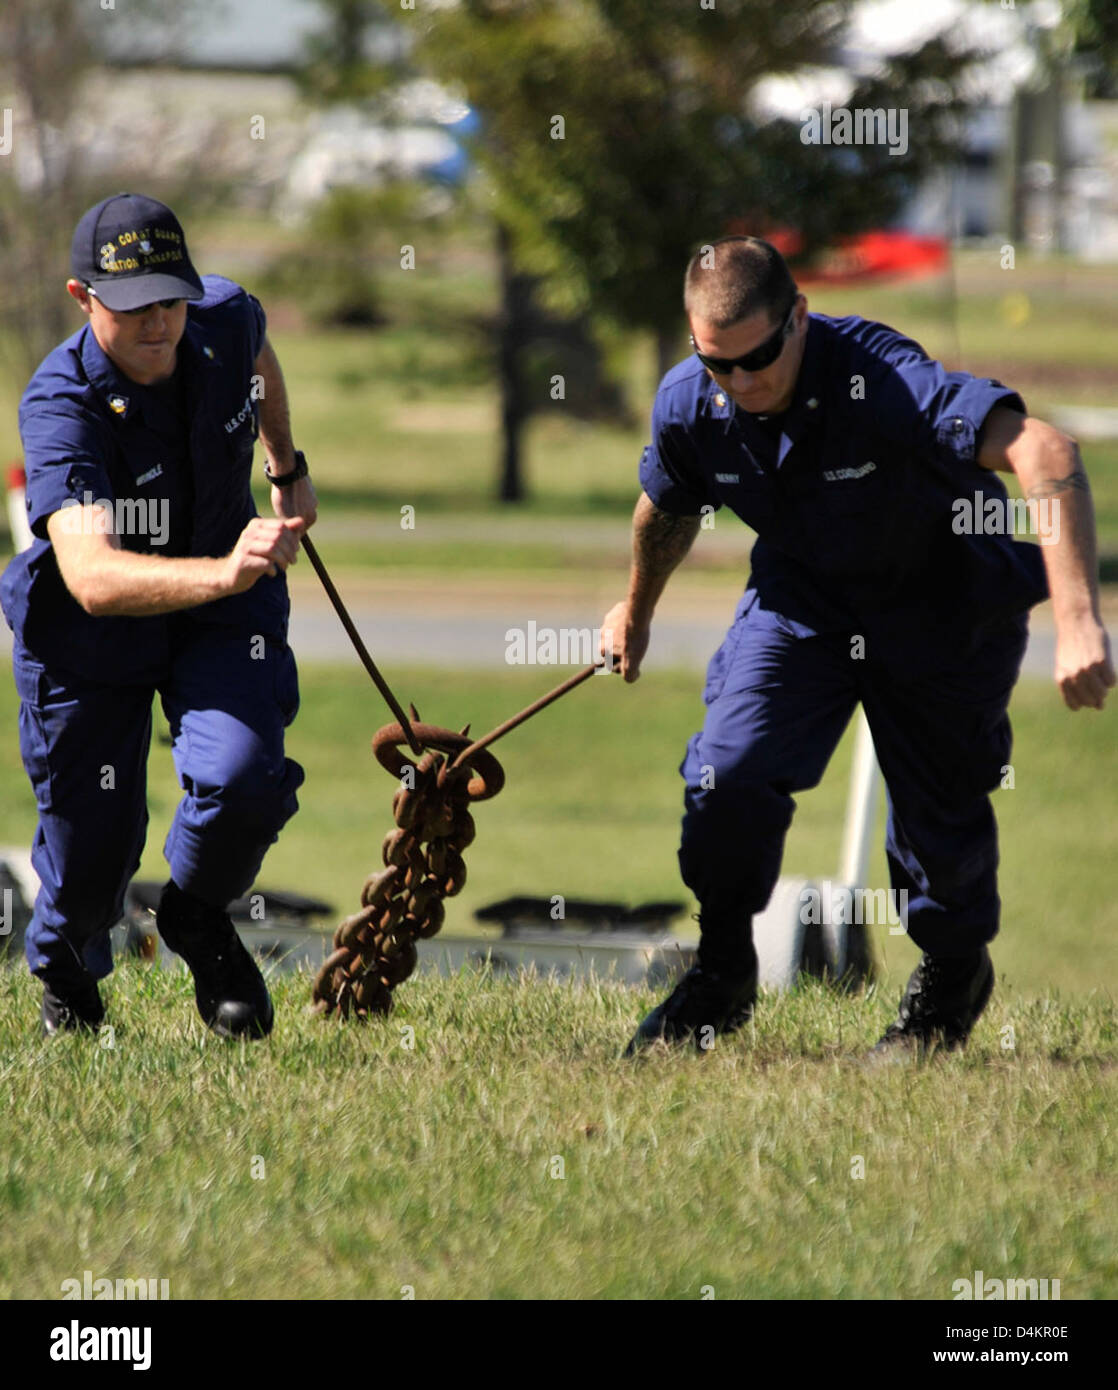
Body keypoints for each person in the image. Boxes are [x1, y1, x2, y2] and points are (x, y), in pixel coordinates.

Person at [602, 235, 1114, 1059]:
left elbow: (1044, 452)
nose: (740, 382)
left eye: (758, 357)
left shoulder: (880, 380)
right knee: (727, 773)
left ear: (798, 317)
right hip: (803, 604)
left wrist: (1080, 617)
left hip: (943, 604)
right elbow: (665, 504)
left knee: (937, 822)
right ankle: (723, 970)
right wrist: (635, 610)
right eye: (715, 364)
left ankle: (948, 986)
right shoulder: (690, 401)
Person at [1, 192, 318, 1039]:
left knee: (244, 778)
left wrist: (285, 466)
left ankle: (198, 916)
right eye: (136, 308)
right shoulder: (59, 405)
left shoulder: (218, 318)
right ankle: (66, 966)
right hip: (92, 632)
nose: (161, 325)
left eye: (171, 301)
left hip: (220, 605)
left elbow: (257, 349)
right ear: (83, 299)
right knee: (91, 851)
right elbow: (94, 577)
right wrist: (224, 572)